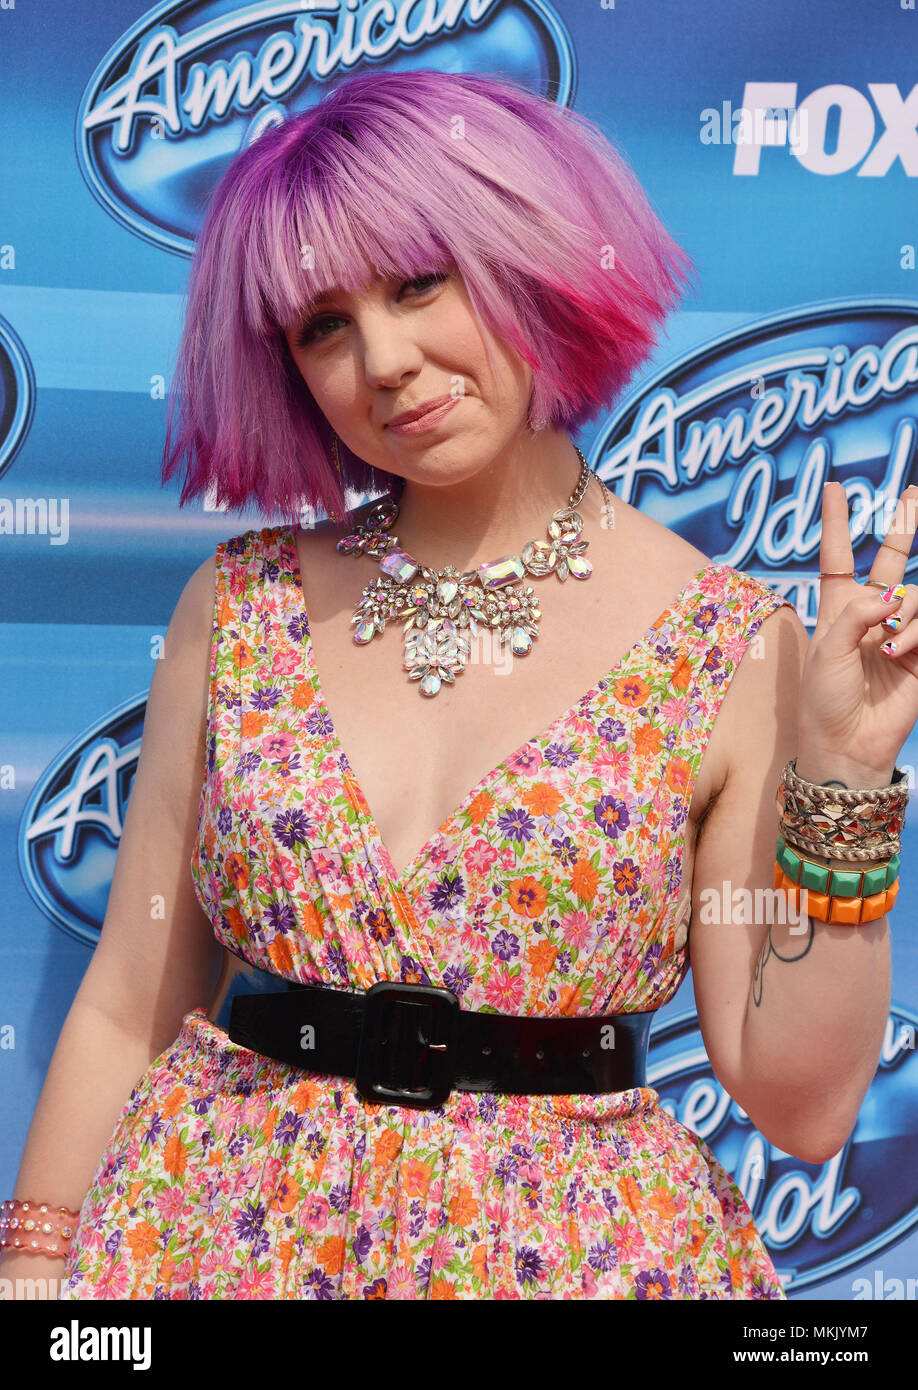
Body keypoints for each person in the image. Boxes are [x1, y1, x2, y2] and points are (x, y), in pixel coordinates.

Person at [3, 68, 911, 1301]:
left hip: (576, 1266)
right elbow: (131, 998)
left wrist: (846, 785)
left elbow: (800, 1105)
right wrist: (40, 1266)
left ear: (527, 258)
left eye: (419, 283)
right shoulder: (241, 604)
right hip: (217, 1248)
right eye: (322, 325)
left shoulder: (729, 643)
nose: (383, 359)